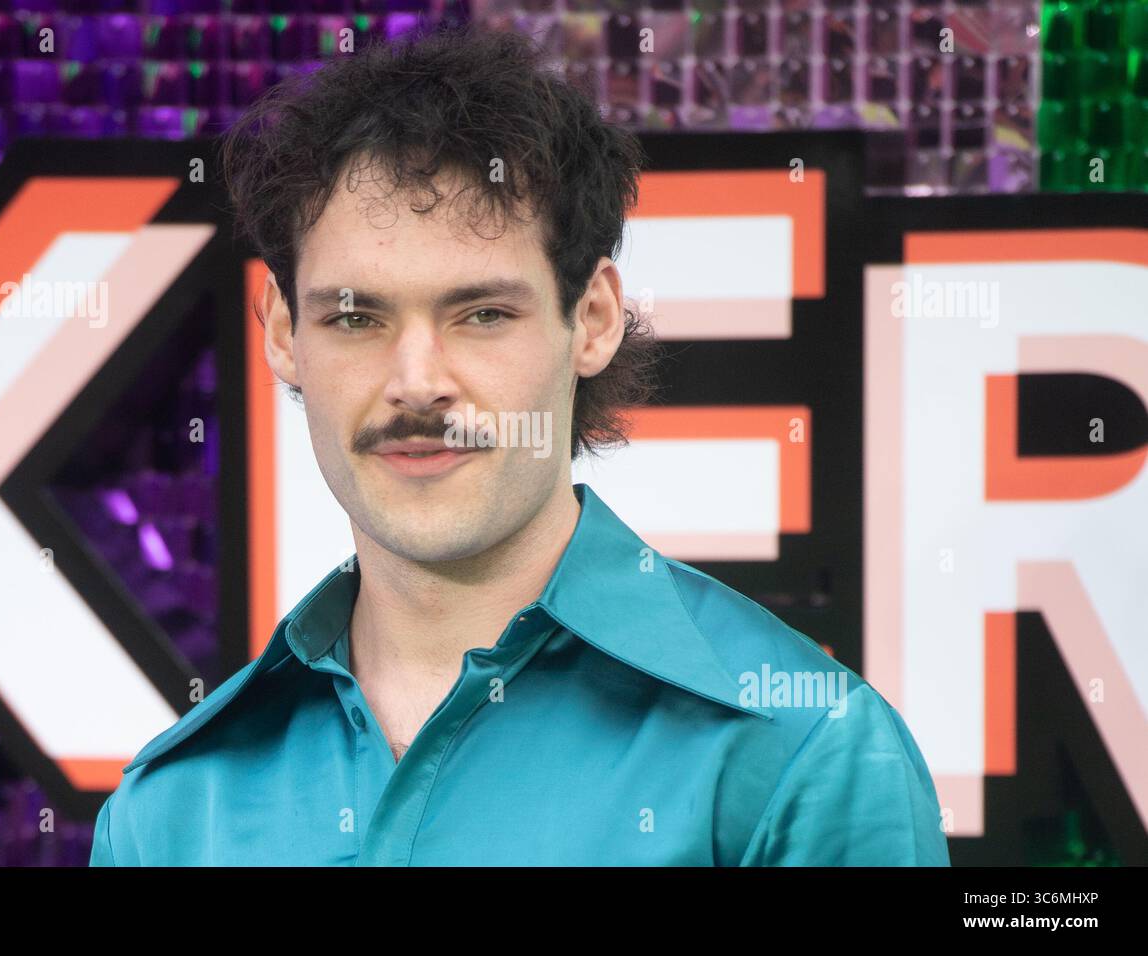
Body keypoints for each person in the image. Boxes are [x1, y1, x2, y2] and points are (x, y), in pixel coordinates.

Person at [89, 24, 949, 866]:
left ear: (595, 320)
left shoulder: (803, 758)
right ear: (282, 332)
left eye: (483, 315)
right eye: (356, 317)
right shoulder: (171, 813)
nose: (417, 381)